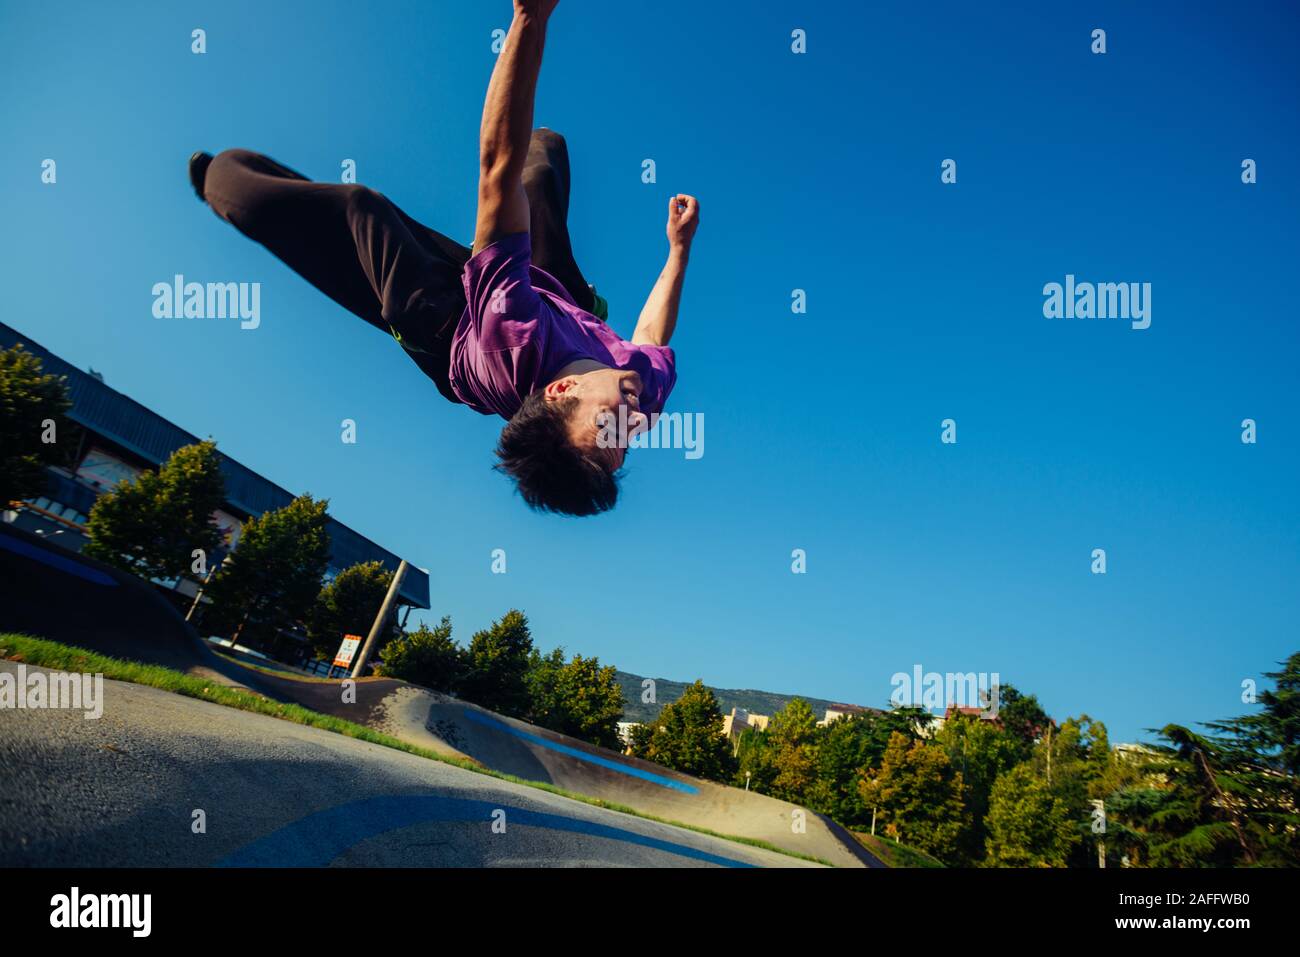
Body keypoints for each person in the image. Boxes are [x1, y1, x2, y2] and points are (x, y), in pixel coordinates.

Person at [189, 0, 698, 516]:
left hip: (445, 322)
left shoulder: (511, 337)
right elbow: (652, 336)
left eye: (608, 425)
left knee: (362, 207)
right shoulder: (643, 391)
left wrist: (529, 20)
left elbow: (496, 170)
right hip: (558, 303)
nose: (631, 421)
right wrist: (678, 249)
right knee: (543, 163)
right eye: (626, 439)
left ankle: (219, 182)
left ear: (563, 388)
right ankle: (548, 217)